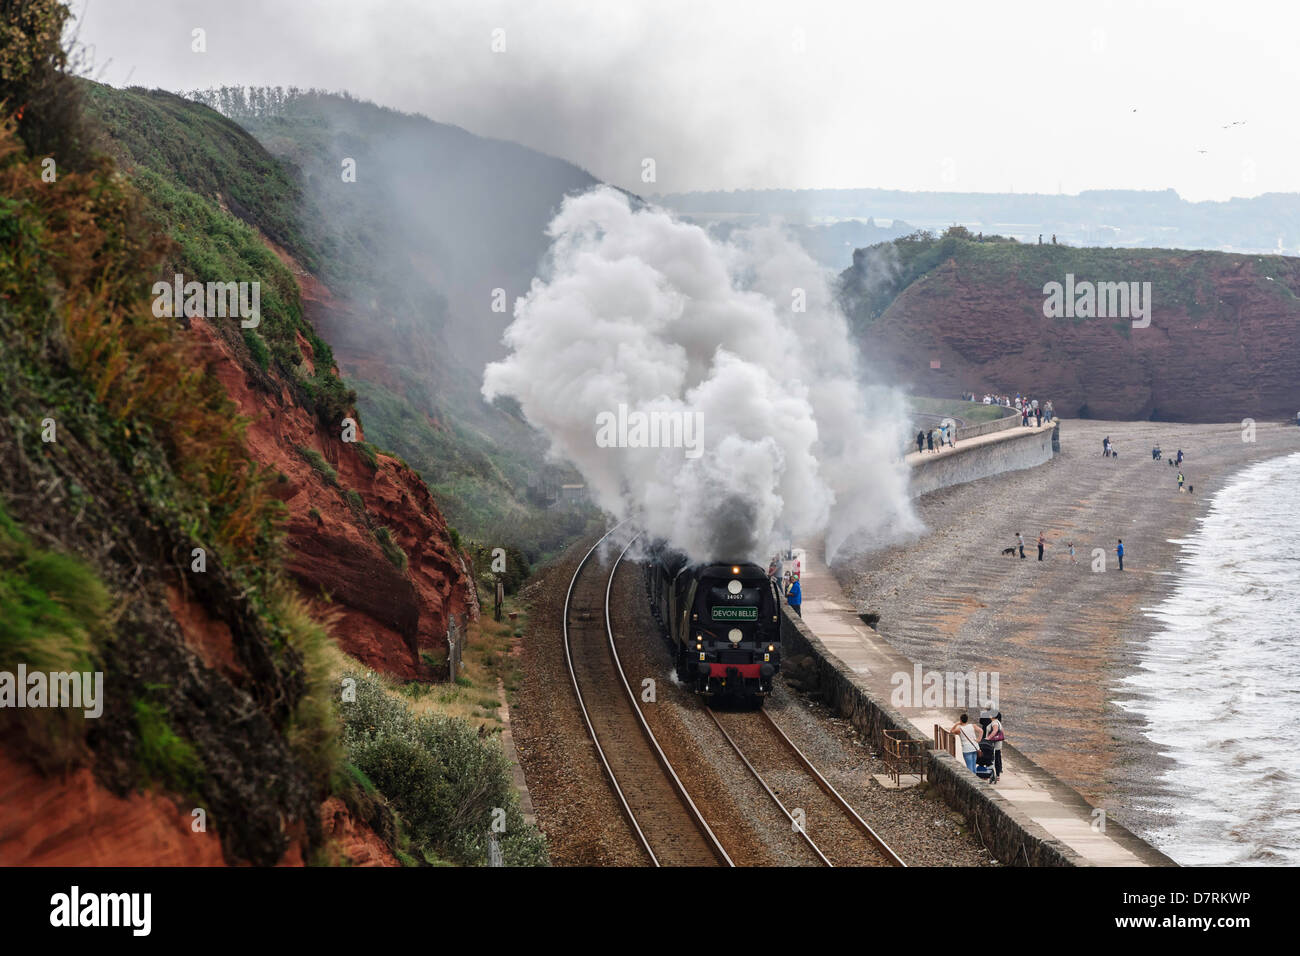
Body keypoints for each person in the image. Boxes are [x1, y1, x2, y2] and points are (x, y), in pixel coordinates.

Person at [986, 712, 1005, 782]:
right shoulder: (998, 722)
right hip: (998, 744)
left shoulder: (994, 722)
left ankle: (992, 774)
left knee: (992, 759)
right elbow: (1002, 732)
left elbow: (995, 731)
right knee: (997, 759)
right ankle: (997, 775)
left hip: (993, 744)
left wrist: (988, 737)